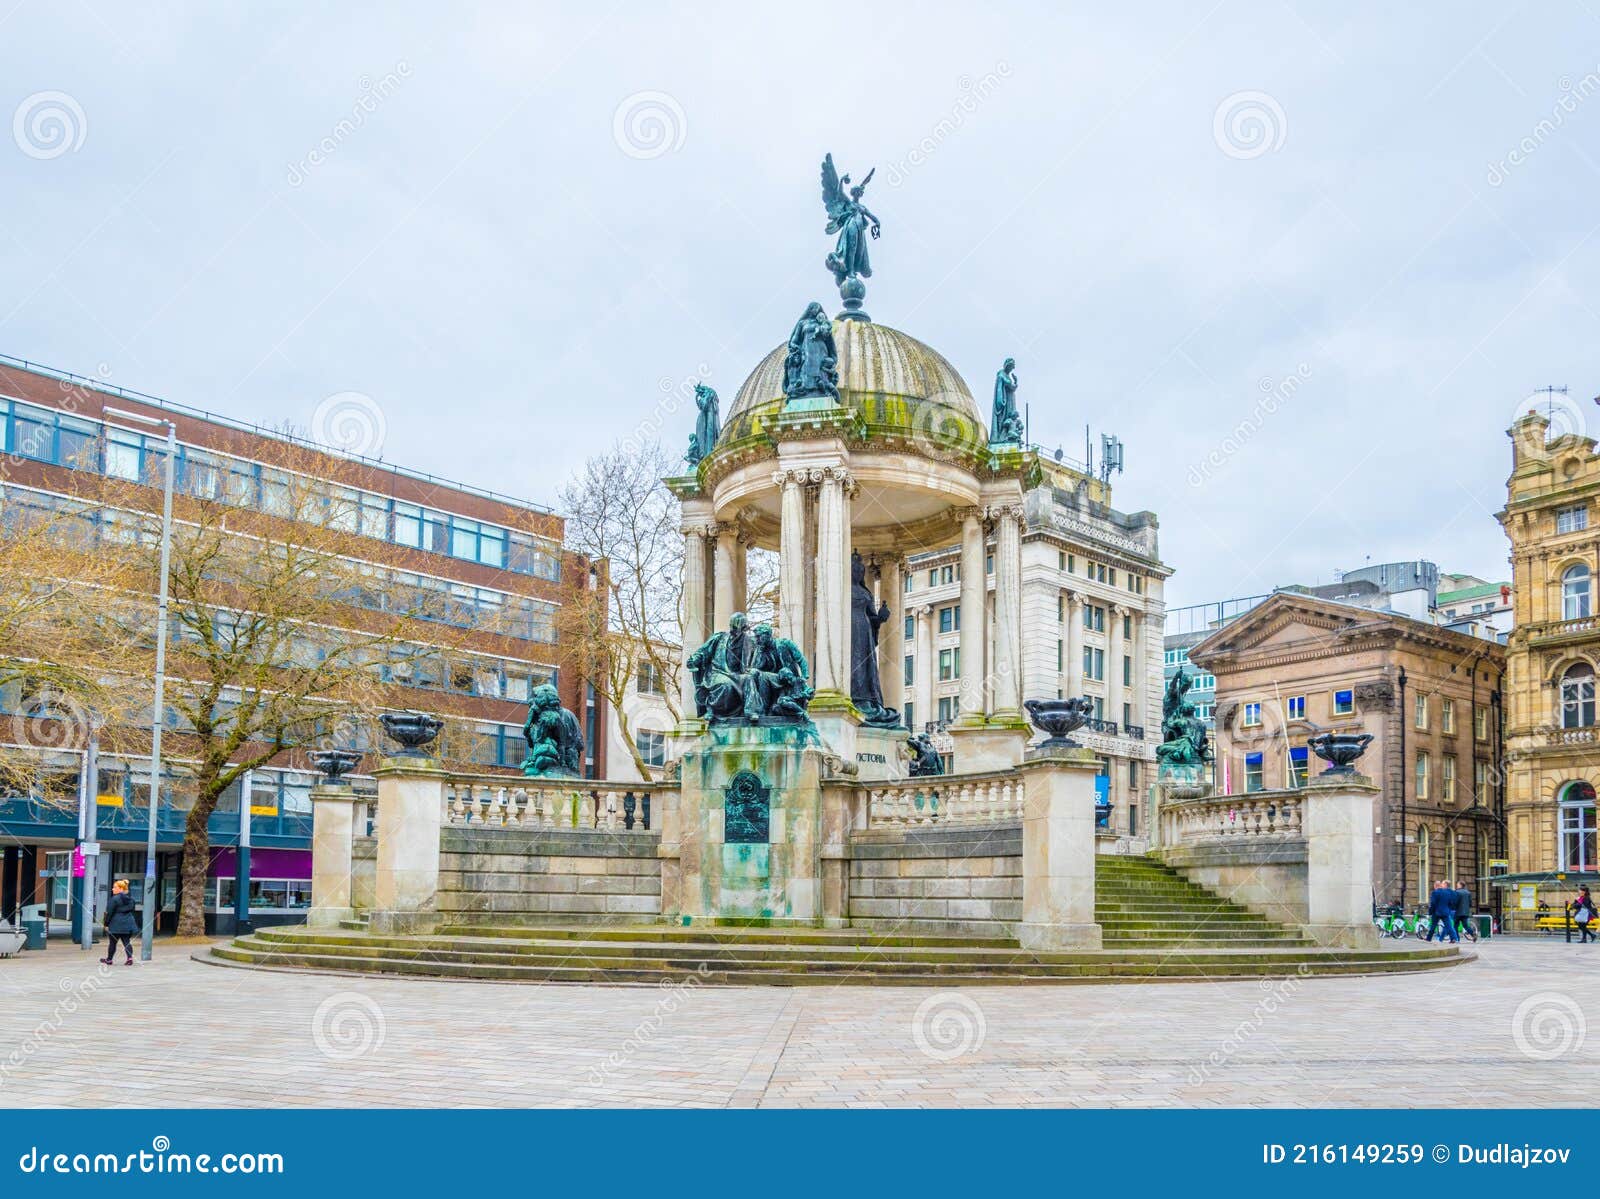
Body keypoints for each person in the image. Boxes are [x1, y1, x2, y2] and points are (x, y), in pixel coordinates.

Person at [101, 879, 138, 966]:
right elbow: (132, 910)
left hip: (115, 924)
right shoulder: (131, 899)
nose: (112, 889)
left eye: (115, 887)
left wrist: (106, 924)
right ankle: (129, 958)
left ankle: (109, 960)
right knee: (126, 941)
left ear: (121, 889)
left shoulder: (114, 899)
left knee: (113, 943)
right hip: (128, 923)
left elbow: (109, 912)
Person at [1426, 879, 1459, 943]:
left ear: (1435, 886)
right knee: (1448, 926)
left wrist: (1430, 912)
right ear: (1440, 885)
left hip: (1436, 912)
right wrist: (1448, 909)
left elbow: (1433, 903)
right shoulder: (1447, 892)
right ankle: (1453, 938)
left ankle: (1428, 938)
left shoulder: (1435, 892)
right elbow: (1450, 902)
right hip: (1445, 912)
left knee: (1433, 926)